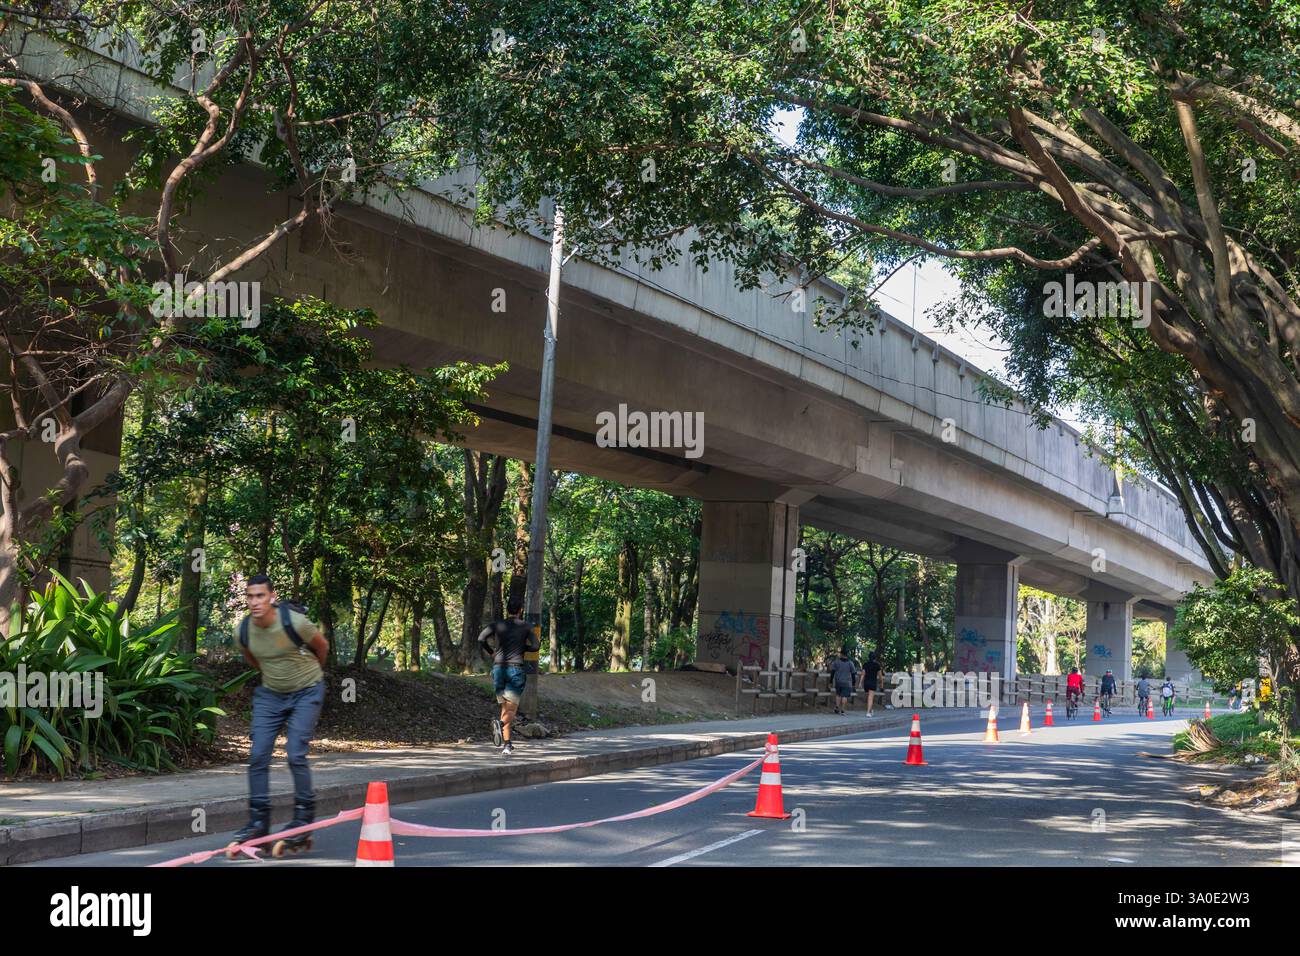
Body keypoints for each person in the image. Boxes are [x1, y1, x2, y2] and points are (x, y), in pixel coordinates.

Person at [230, 575, 329, 849]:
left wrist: (307, 675)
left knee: (295, 753)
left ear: (272, 597)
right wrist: (275, 678)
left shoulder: (295, 623)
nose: (254, 602)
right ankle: (259, 822)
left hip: (307, 691)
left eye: (260, 596)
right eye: (250, 596)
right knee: (258, 755)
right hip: (270, 696)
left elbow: (322, 648)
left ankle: (303, 819)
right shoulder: (244, 632)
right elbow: (253, 658)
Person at [478, 597, 539, 756]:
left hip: (498, 670)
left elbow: (481, 638)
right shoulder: (525, 625)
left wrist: (492, 652)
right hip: (515, 669)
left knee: (505, 708)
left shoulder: (497, 625)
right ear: (520, 610)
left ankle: (507, 745)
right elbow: (536, 645)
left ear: (508, 610)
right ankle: (499, 724)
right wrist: (523, 647)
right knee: (511, 710)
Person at [829, 647, 857, 715]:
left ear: (841, 654)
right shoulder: (850, 663)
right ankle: (843, 710)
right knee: (844, 696)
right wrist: (853, 683)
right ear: (847, 654)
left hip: (838, 681)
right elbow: (853, 674)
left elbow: (832, 672)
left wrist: (830, 681)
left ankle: (837, 708)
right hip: (846, 682)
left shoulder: (836, 662)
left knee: (838, 695)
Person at [858, 651, 883, 716]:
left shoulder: (865, 664)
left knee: (868, 697)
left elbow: (863, 674)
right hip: (873, 682)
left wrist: (860, 683)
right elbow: (880, 676)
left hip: (866, 683)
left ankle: (871, 710)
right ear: (874, 658)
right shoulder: (877, 665)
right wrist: (881, 684)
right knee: (870, 697)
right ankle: (868, 712)